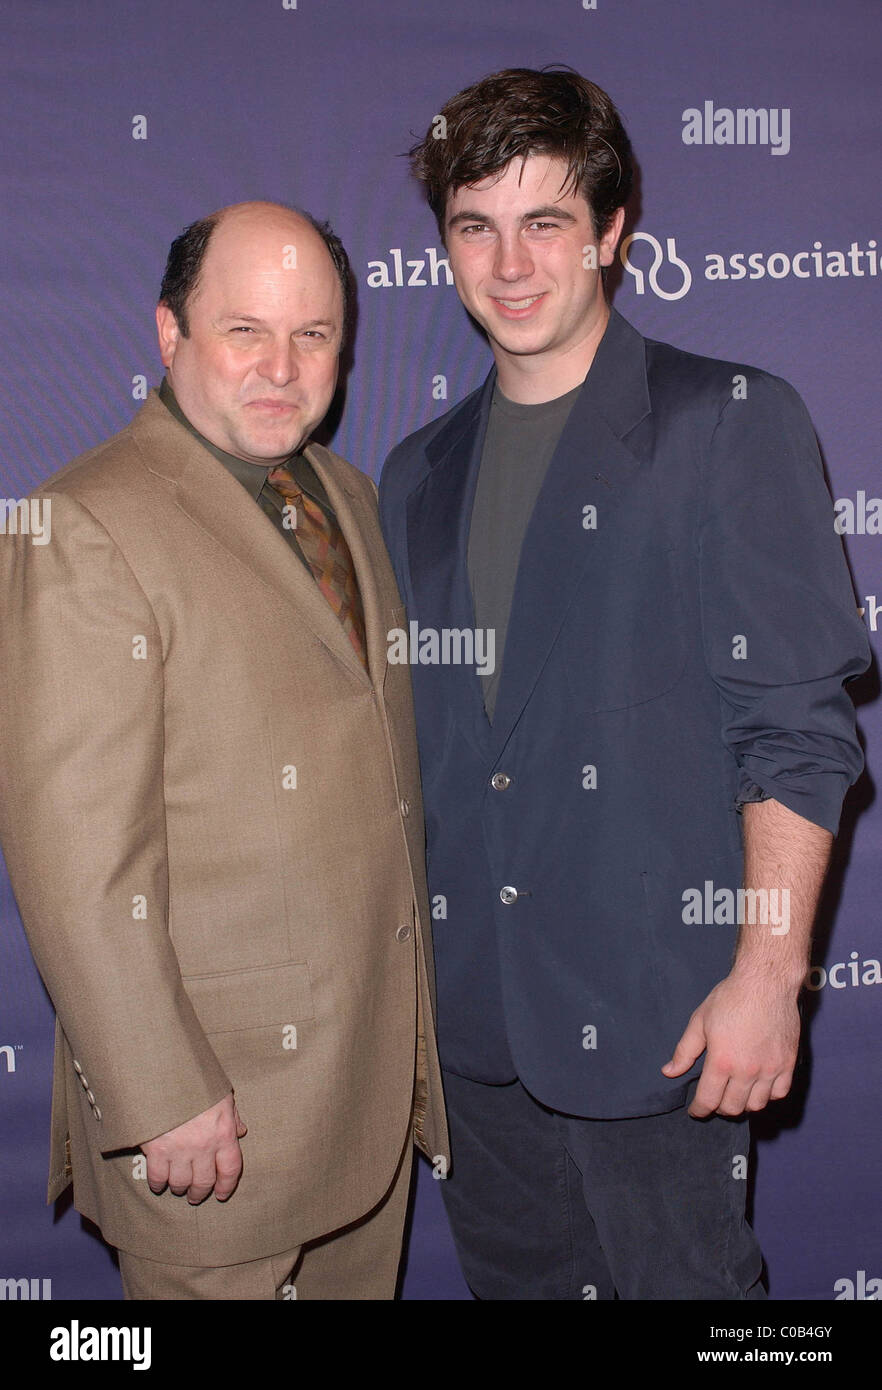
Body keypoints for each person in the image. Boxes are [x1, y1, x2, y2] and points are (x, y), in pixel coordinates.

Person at [378, 67, 869, 1300]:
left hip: (664, 1020)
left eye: (546, 222)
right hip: (474, 1031)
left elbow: (797, 733)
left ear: (611, 233)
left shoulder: (728, 422)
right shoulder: (415, 472)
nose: (510, 263)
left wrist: (767, 975)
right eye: (474, 227)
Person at [0, 200, 447, 1300]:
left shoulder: (349, 494)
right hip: (217, 1114)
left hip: (365, 1096)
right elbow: (75, 860)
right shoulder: (82, 525)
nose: (282, 368)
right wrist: (160, 1092)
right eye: (244, 329)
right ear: (169, 333)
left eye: (315, 335)